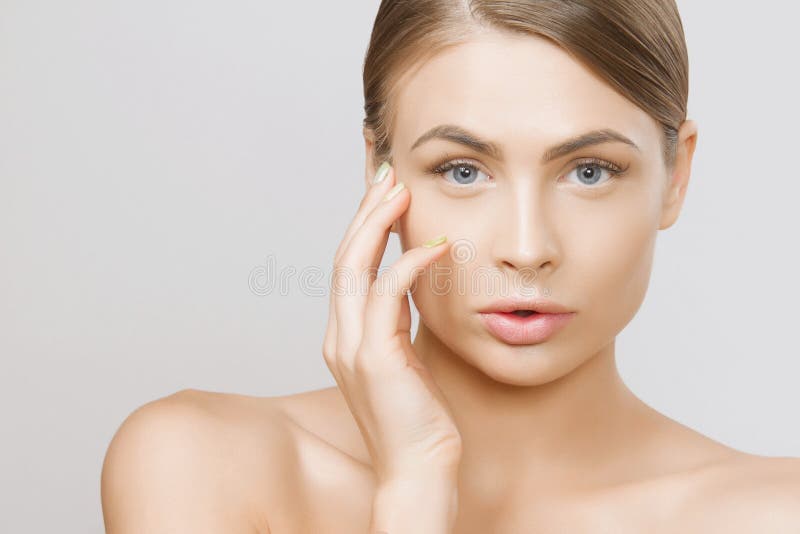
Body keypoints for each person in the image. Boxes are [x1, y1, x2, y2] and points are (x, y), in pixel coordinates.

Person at [101, 1, 800, 532]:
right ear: (379, 170)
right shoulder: (203, 467)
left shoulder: (773, 513)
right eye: (463, 170)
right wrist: (413, 490)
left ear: (675, 176)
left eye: (589, 171)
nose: (527, 248)